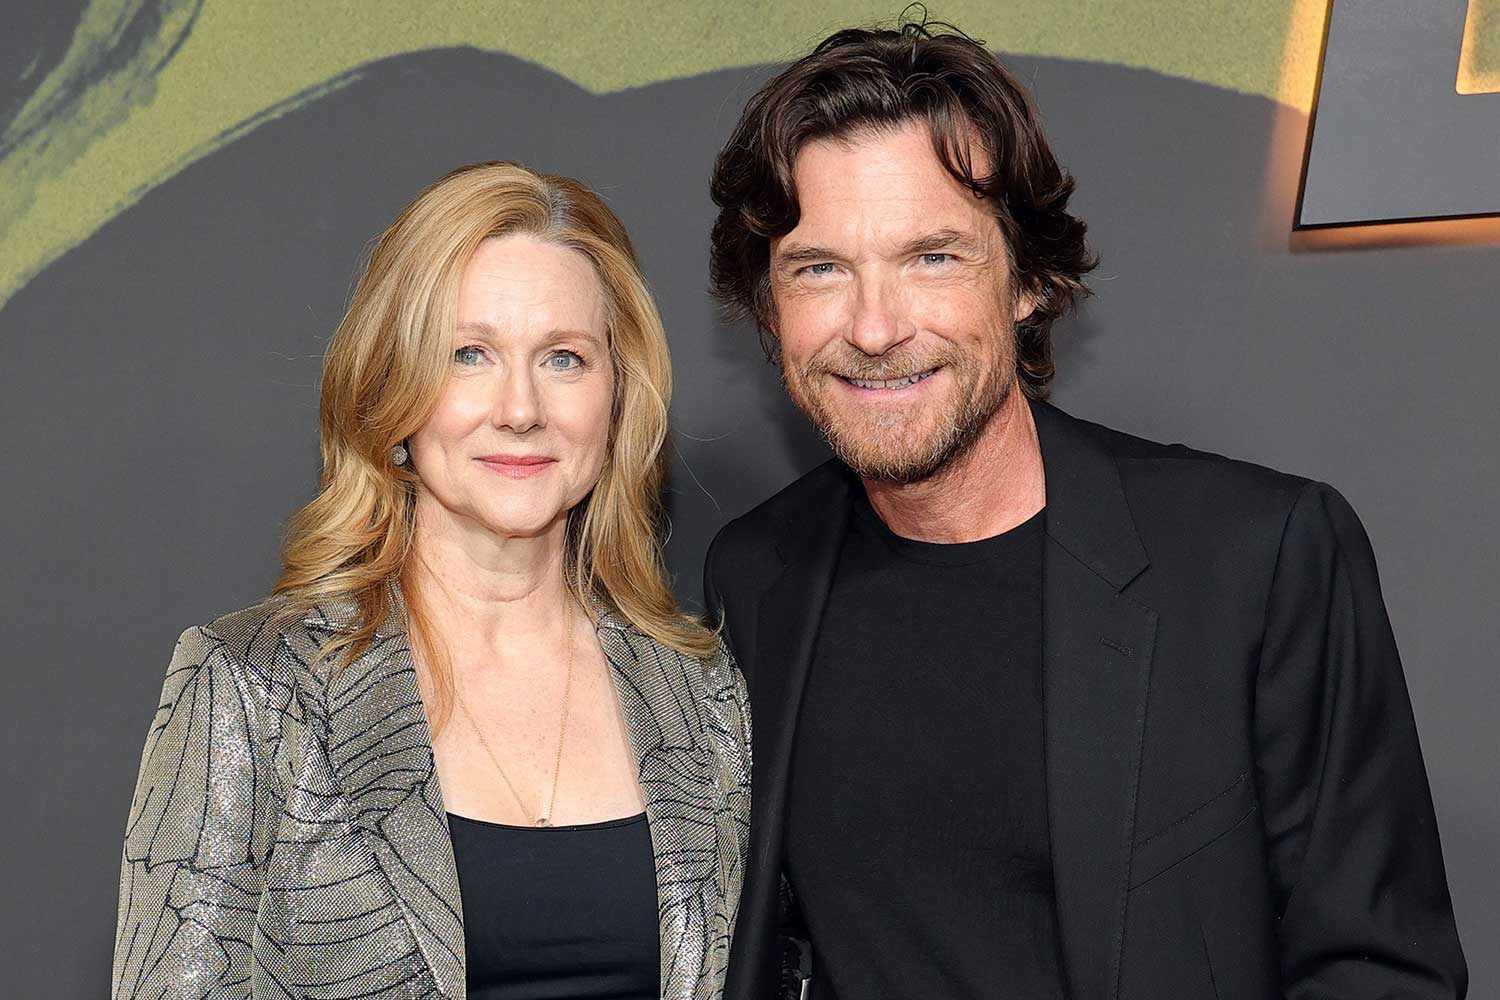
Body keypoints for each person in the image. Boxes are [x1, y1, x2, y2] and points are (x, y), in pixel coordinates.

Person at [704, 20, 1466, 1000]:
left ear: (1028, 280)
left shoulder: (1256, 560)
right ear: (769, 307)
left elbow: (1381, 971)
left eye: (932, 257)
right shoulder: (756, 575)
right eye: (819, 268)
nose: (875, 326)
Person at [112, 162, 750, 1000]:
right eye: (468, 355)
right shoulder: (254, 685)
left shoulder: (702, 692)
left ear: (618, 397)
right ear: (393, 391)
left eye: (564, 358)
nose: (519, 409)